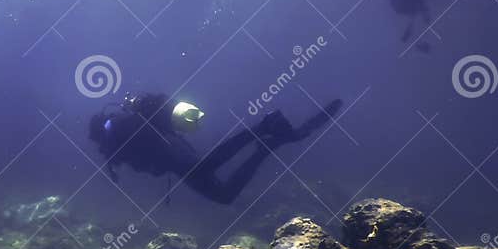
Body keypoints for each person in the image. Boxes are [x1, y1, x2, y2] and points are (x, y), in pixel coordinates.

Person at [88, 93, 342, 204]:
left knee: (206, 167)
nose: (99, 147)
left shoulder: (113, 131)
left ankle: (264, 126)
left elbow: (122, 156)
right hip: (174, 150)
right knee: (224, 196)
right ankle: (267, 145)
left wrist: (110, 154)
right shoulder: (121, 123)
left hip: (170, 152)